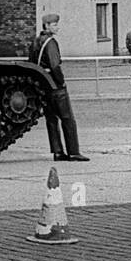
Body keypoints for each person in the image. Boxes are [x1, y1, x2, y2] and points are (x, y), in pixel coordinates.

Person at [28, 12, 89, 162]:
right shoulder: (51, 43)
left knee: (51, 119)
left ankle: (57, 151)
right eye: (54, 25)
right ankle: (73, 152)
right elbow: (55, 65)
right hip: (55, 86)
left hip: (42, 85)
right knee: (68, 119)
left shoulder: (36, 42)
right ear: (47, 26)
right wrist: (61, 82)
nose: (57, 27)